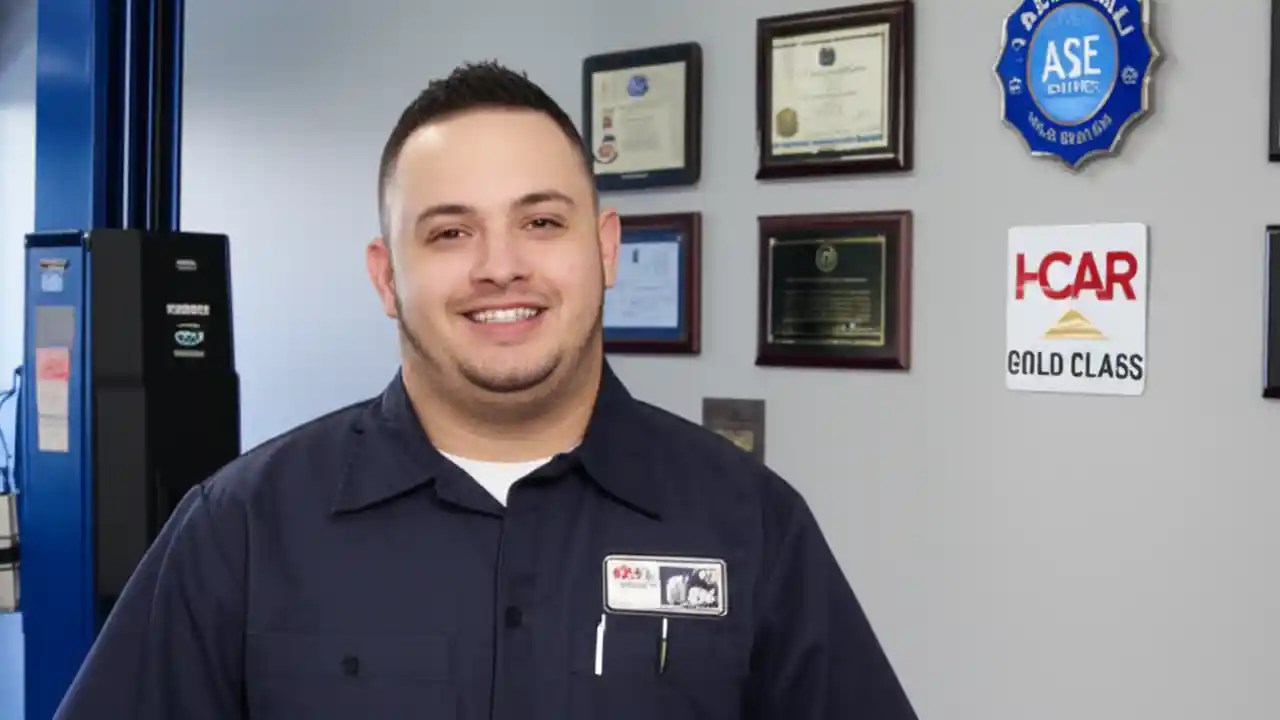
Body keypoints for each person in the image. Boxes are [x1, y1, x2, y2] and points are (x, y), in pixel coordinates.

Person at [52, 61, 919, 719]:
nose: (500, 266)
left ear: (606, 249)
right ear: (387, 277)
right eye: (450, 231)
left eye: (541, 222)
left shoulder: (751, 525)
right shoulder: (240, 531)